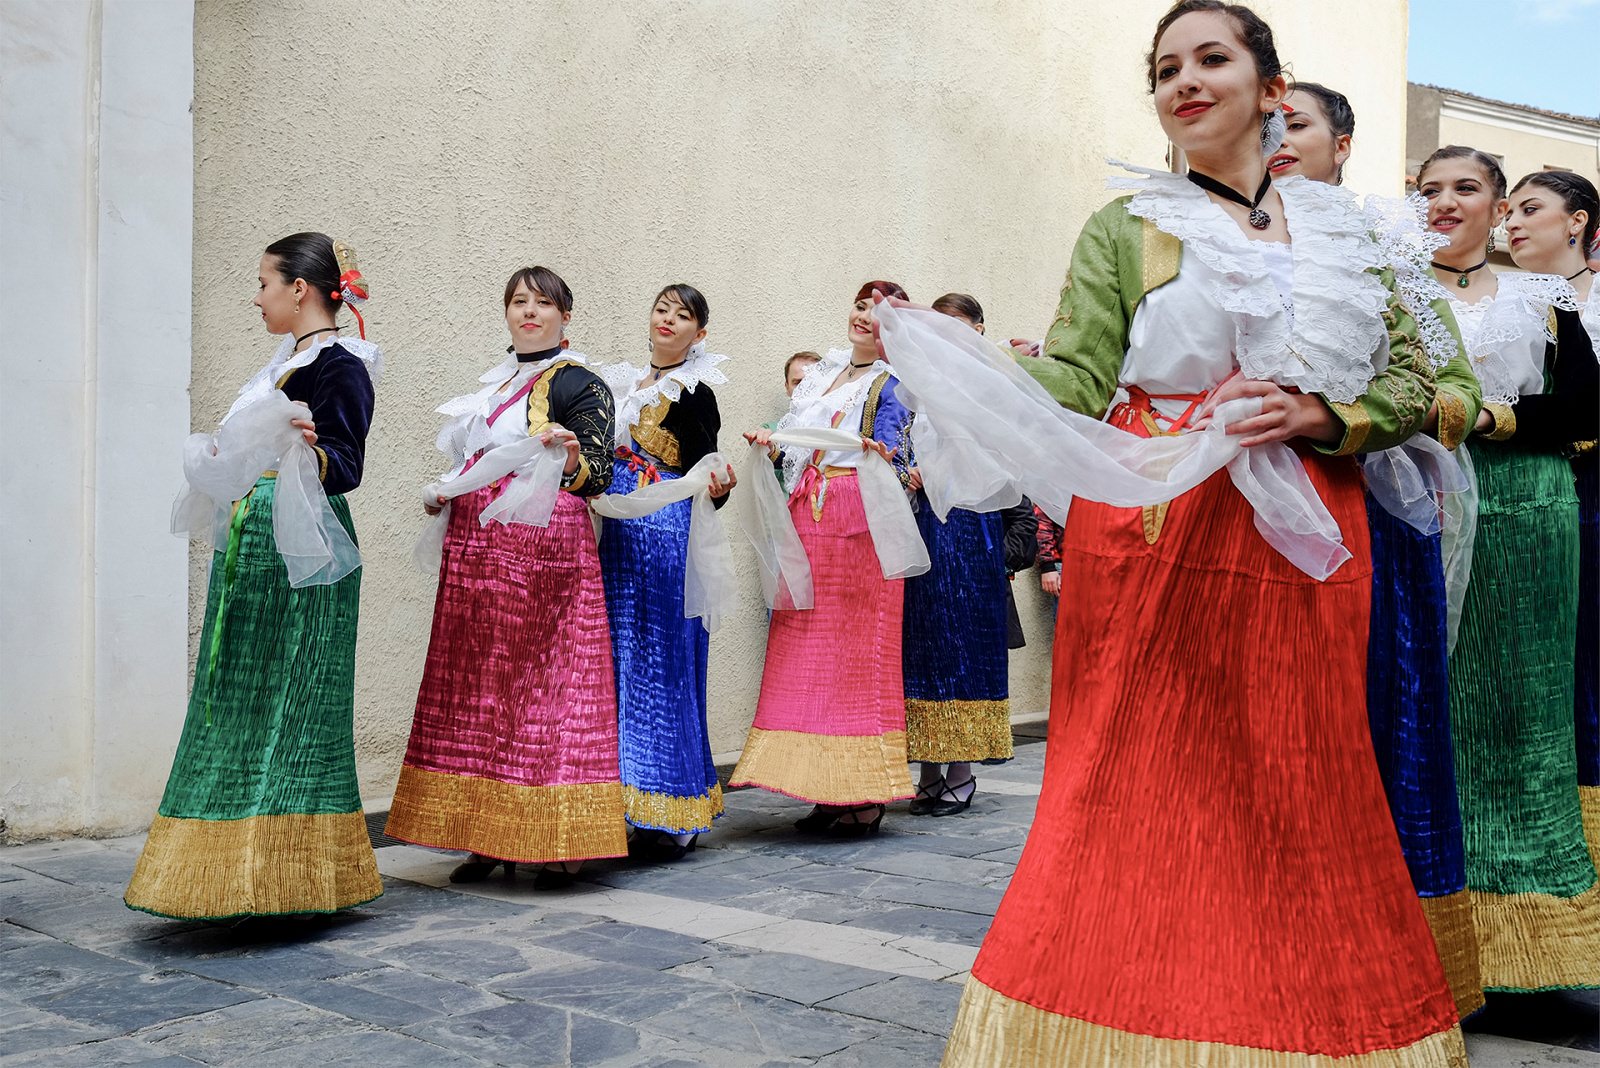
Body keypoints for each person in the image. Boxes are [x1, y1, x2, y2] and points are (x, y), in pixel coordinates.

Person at [884, 3, 1463, 1061]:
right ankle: (1100, 1028)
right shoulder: (1126, 226)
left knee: (1299, 778)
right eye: (1164, 68)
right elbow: (1074, 375)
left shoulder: (1364, 239)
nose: (1183, 81)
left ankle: (1299, 1024)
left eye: (1210, 59)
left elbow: (1444, 388)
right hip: (1150, 527)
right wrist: (966, 372)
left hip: (1308, 536)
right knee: (1134, 782)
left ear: (1270, 90)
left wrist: (1328, 416)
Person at [1270, 82, 1486, 1016]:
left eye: (1299, 124)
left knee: (1373, 727)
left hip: (1374, 523)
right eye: (1268, 124)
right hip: (1249, 526)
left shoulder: (1383, 253)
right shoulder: (1204, 237)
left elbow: (1459, 391)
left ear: (1343, 145)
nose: (1276, 139)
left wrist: (1354, 410)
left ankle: (1381, 960)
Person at [125, 233, 383, 920]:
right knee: (235, 697)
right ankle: (221, 871)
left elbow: (346, 465)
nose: (257, 294)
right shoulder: (285, 363)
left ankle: (290, 879)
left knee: (294, 701)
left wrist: (306, 448)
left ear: (301, 287)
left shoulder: (342, 365)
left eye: (265, 281)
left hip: (303, 548)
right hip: (256, 541)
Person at [384, 266, 626, 890]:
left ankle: (554, 837)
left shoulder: (580, 383)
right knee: (478, 689)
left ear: (565, 316)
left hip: (545, 552)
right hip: (478, 551)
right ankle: (479, 830)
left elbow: (598, 475)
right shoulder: (492, 390)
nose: (529, 312)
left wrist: (571, 454)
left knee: (545, 687)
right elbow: (474, 461)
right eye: (519, 301)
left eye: (543, 303)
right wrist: (449, 492)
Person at [1421, 148, 1600, 991]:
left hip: (1533, 504)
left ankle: (1538, 941)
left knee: (1529, 706)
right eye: (1430, 189)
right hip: (1423, 497)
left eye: (1468, 189)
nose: (1446, 201)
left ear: (1498, 209)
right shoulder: (1396, 294)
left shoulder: (1543, 296)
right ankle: (1439, 926)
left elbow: (1586, 407)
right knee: (1437, 698)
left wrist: (1494, 419)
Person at [729, 281, 918, 836]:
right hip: (808, 510)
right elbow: (799, 440)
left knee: (855, 653)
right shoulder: (824, 375)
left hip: (858, 516)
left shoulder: (898, 384)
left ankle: (862, 792)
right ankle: (821, 784)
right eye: (861, 305)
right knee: (807, 649)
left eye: (880, 311)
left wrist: (888, 459)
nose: (865, 317)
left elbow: (905, 460)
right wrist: (770, 440)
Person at [598, 284, 735, 862]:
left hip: (663, 525)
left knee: (663, 657)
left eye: (683, 316)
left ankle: (674, 805)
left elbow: (710, 473)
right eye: (661, 309)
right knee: (617, 658)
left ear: (698, 333)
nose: (668, 321)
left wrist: (718, 486)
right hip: (616, 527)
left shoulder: (698, 391)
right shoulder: (622, 384)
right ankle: (628, 800)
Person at [1503, 168, 1600, 889]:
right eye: (1508, 210)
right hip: (1529, 494)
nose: (1513, 222)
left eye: (1530, 209)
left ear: (1578, 221)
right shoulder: (1508, 300)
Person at [905, 293, 1016, 817]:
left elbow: (999, 458)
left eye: (956, 325)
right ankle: (928, 768)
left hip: (971, 525)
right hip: (927, 521)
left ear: (978, 328)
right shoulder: (919, 385)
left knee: (965, 639)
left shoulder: (993, 384)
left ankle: (963, 771)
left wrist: (939, 473)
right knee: (925, 640)